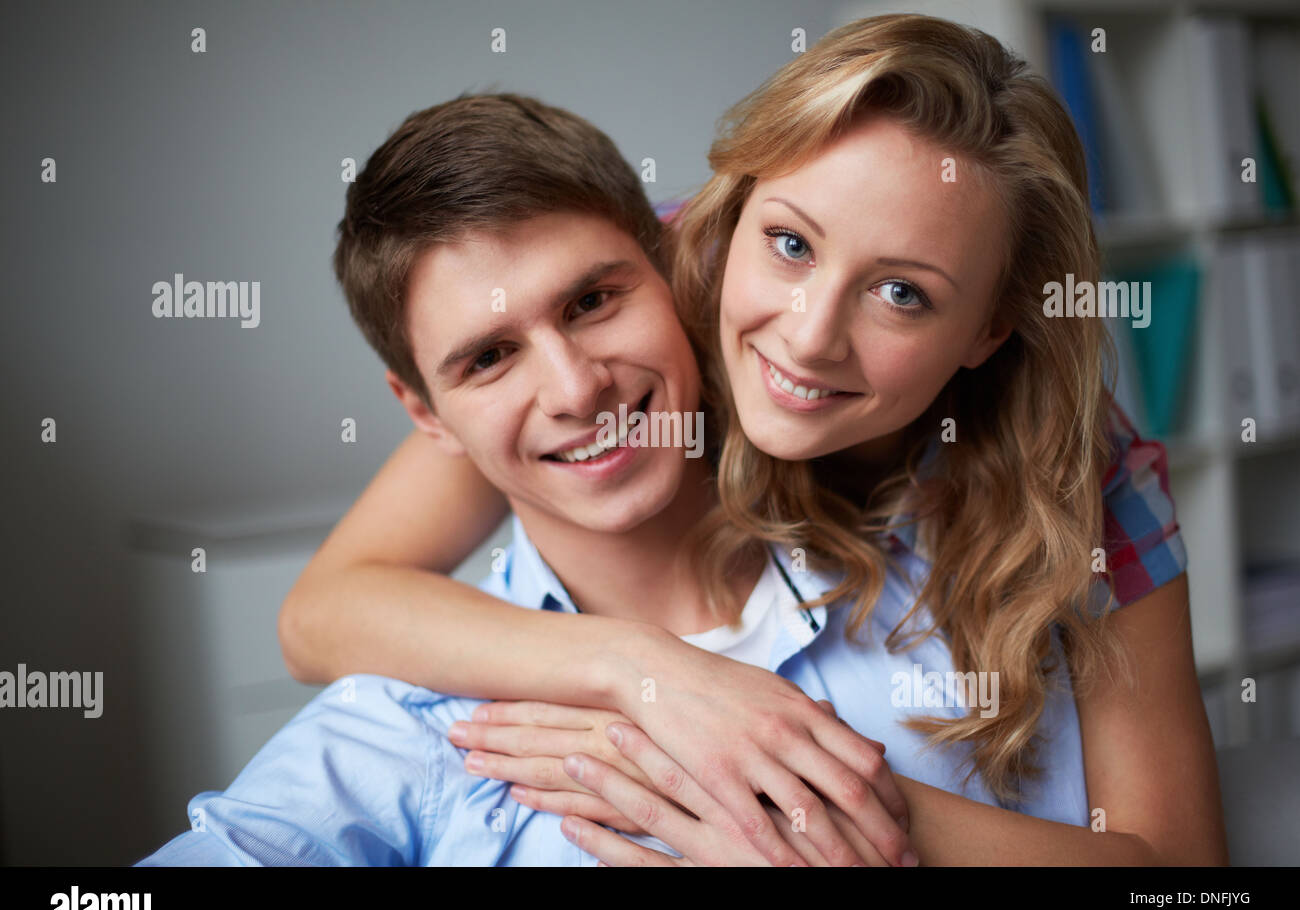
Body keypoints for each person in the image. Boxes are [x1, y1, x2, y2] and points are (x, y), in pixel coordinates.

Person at [277, 14, 1228, 865]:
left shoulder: (1082, 468)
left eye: (904, 293)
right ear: (728, 220)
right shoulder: (624, 302)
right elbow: (325, 612)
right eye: (790, 243)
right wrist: (654, 678)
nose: (808, 334)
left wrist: (822, 793)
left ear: (990, 329)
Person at [138, 91, 926, 866]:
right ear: (424, 411)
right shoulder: (423, 729)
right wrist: (639, 668)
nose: (576, 389)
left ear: (673, 273)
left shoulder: (947, 582)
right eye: (488, 356)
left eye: (591, 301)